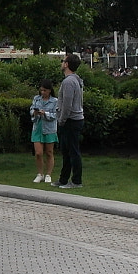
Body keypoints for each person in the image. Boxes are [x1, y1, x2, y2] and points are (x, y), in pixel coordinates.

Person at [56, 54, 86, 189]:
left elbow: (67, 104)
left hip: (71, 120)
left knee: (73, 151)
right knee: (66, 151)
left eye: (63, 61)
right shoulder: (76, 80)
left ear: (67, 64)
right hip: (73, 119)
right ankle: (63, 179)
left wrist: (61, 120)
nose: (62, 63)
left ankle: (76, 181)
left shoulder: (68, 82)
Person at [29, 83, 60, 185]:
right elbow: (31, 110)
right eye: (41, 90)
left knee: (49, 152)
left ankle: (48, 174)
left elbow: (55, 115)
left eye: (45, 91)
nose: (42, 93)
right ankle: (40, 174)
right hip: (37, 128)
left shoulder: (55, 101)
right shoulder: (36, 99)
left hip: (49, 129)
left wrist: (45, 114)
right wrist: (35, 113)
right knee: (38, 153)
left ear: (49, 90)